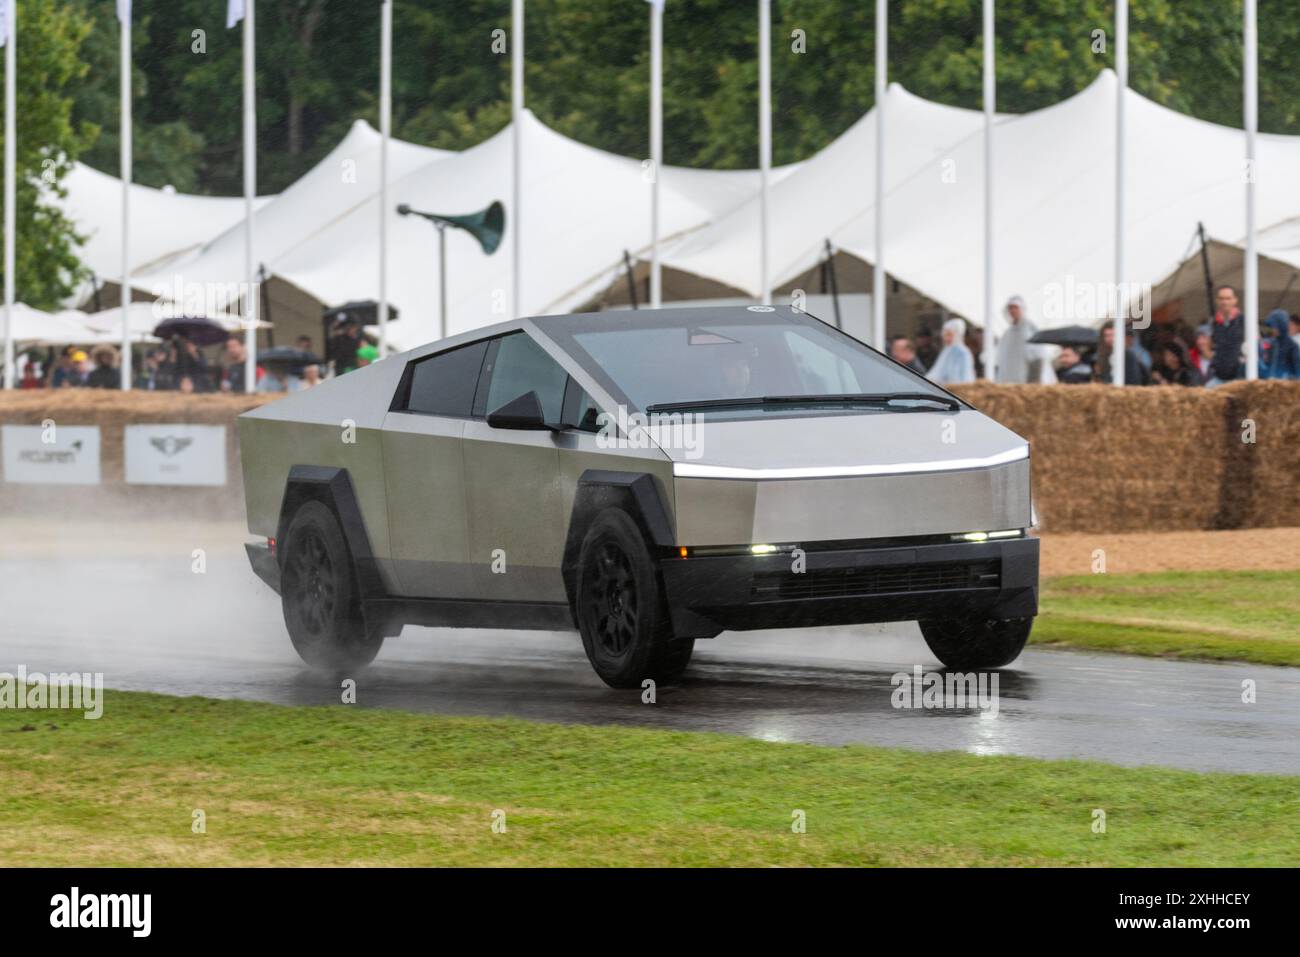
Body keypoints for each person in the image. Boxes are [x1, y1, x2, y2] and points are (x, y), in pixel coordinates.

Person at [995, 295, 1041, 383]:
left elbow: (1038, 356)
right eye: (1010, 308)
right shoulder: (1007, 333)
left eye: (1015, 308)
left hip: (1026, 380)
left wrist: (1034, 381)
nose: (1012, 311)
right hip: (1008, 379)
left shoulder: (1030, 328)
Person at [1208, 285, 1245, 384]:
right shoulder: (1214, 322)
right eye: (1221, 299)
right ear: (1217, 301)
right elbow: (1210, 346)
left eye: (1228, 298)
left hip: (1240, 377)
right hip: (1219, 376)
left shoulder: (1244, 320)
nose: (1224, 302)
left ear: (1235, 300)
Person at [927, 318, 976, 384]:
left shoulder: (963, 353)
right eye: (945, 335)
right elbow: (936, 373)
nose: (946, 338)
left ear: (958, 334)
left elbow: (966, 378)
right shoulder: (946, 351)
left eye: (949, 335)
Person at [1259, 308, 1300, 380]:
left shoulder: (1292, 346)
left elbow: (1297, 369)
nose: (1273, 329)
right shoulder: (1270, 343)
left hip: (1285, 385)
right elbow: (1266, 363)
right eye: (1272, 326)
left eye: (1275, 326)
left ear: (1282, 325)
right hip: (1270, 383)